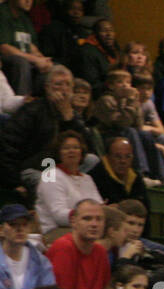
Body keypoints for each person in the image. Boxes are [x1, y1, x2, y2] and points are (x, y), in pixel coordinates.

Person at [0, 64, 85, 192]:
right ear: (47, 88)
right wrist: (14, 182)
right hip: (35, 168)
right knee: (56, 184)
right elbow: (8, 146)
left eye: (68, 85)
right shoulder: (31, 111)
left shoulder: (74, 116)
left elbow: (85, 148)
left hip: (63, 168)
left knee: (92, 161)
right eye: (58, 84)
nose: (63, 90)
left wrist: (68, 118)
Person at [44, 197, 108, 289]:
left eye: (99, 219)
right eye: (87, 218)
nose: (94, 224)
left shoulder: (100, 252)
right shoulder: (63, 248)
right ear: (73, 221)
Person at [34, 129, 101, 238]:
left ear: (81, 152)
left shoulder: (87, 179)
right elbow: (59, 216)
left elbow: (98, 207)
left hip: (85, 228)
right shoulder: (51, 176)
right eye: (66, 148)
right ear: (58, 152)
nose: (71, 151)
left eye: (76, 148)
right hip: (56, 231)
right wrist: (86, 216)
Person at [131, 73, 164, 185]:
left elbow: (161, 130)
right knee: (145, 136)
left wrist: (147, 127)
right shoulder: (130, 102)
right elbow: (135, 129)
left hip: (146, 135)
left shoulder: (148, 104)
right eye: (142, 89)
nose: (146, 92)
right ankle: (146, 174)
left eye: (149, 89)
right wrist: (161, 147)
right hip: (135, 137)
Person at [0, 0, 52, 97]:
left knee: (53, 68)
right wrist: (35, 59)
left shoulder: (25, 19)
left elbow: (30, 45)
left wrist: (43, 60)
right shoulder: (3, 13)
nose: (29, 1)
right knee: (21, 63)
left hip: (26, 58)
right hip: (6, 61)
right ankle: (22, 104)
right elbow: (3, 47)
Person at [0, 204, 55, 289]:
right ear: (1, 230)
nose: (19, 229)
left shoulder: (41, 262)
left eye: (24, 224)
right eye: (13, 224)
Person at [73, 16, 118, 93]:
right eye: (104, 31)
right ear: (95, 34)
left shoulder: (114, 48)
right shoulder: (87, 52)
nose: (109, 34)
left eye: (111, 30)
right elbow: (92, 84)